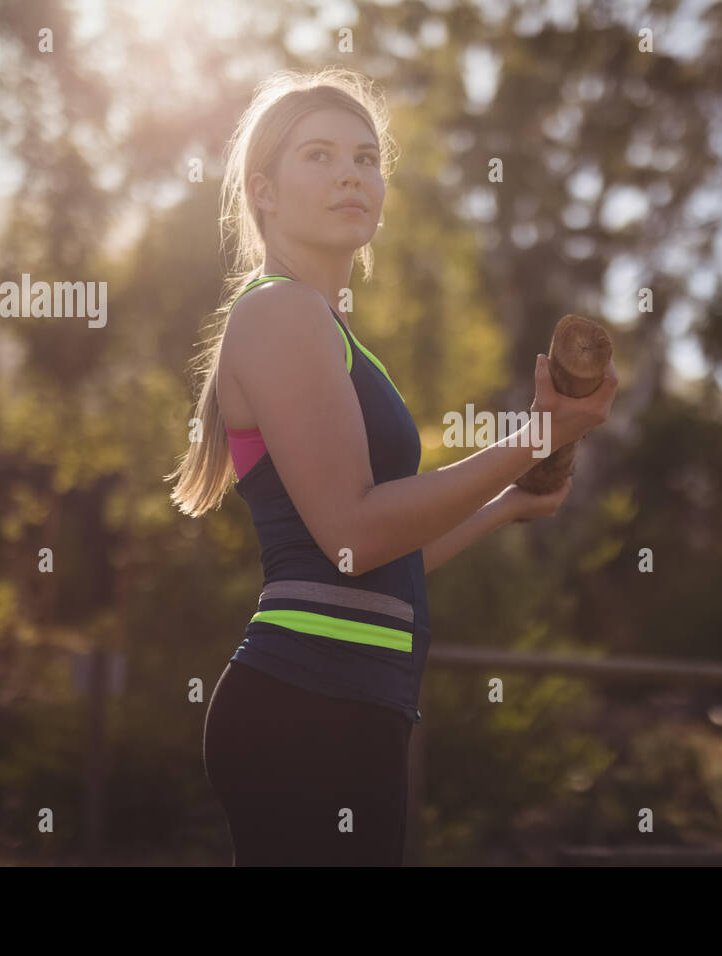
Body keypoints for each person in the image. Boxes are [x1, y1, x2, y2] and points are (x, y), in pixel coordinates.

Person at [166, 67, 618, 866]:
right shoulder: (278, 312)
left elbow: (372, 564)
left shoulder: (328, 333)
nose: (351, 172)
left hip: (351, 707)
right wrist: (534, 437)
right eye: (319, 155)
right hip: (306, 707)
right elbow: (352, 535)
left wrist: (509, 503)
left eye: (367, 159)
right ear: (263, 192)